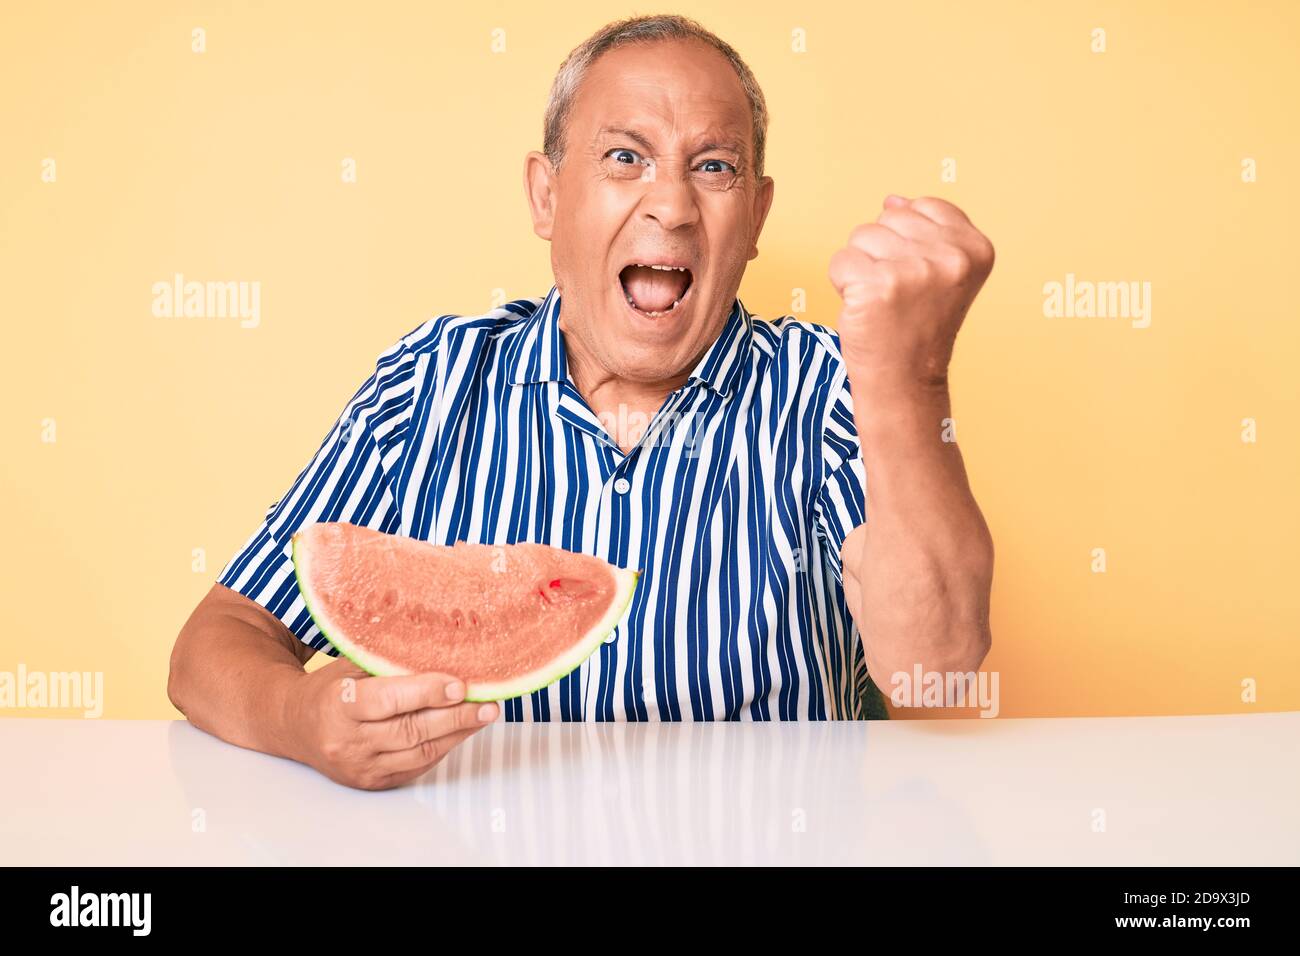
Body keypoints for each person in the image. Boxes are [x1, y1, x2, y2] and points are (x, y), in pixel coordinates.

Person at [169, 14, 995, 790]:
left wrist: (910, 373)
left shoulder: (828, 387)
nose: (671, 206)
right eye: (625, 157)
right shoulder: (431, 381)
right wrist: (305, 720)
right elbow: (213, 644)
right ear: (545, 196)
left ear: (755, 217)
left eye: (714, 167)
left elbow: (940, 666)